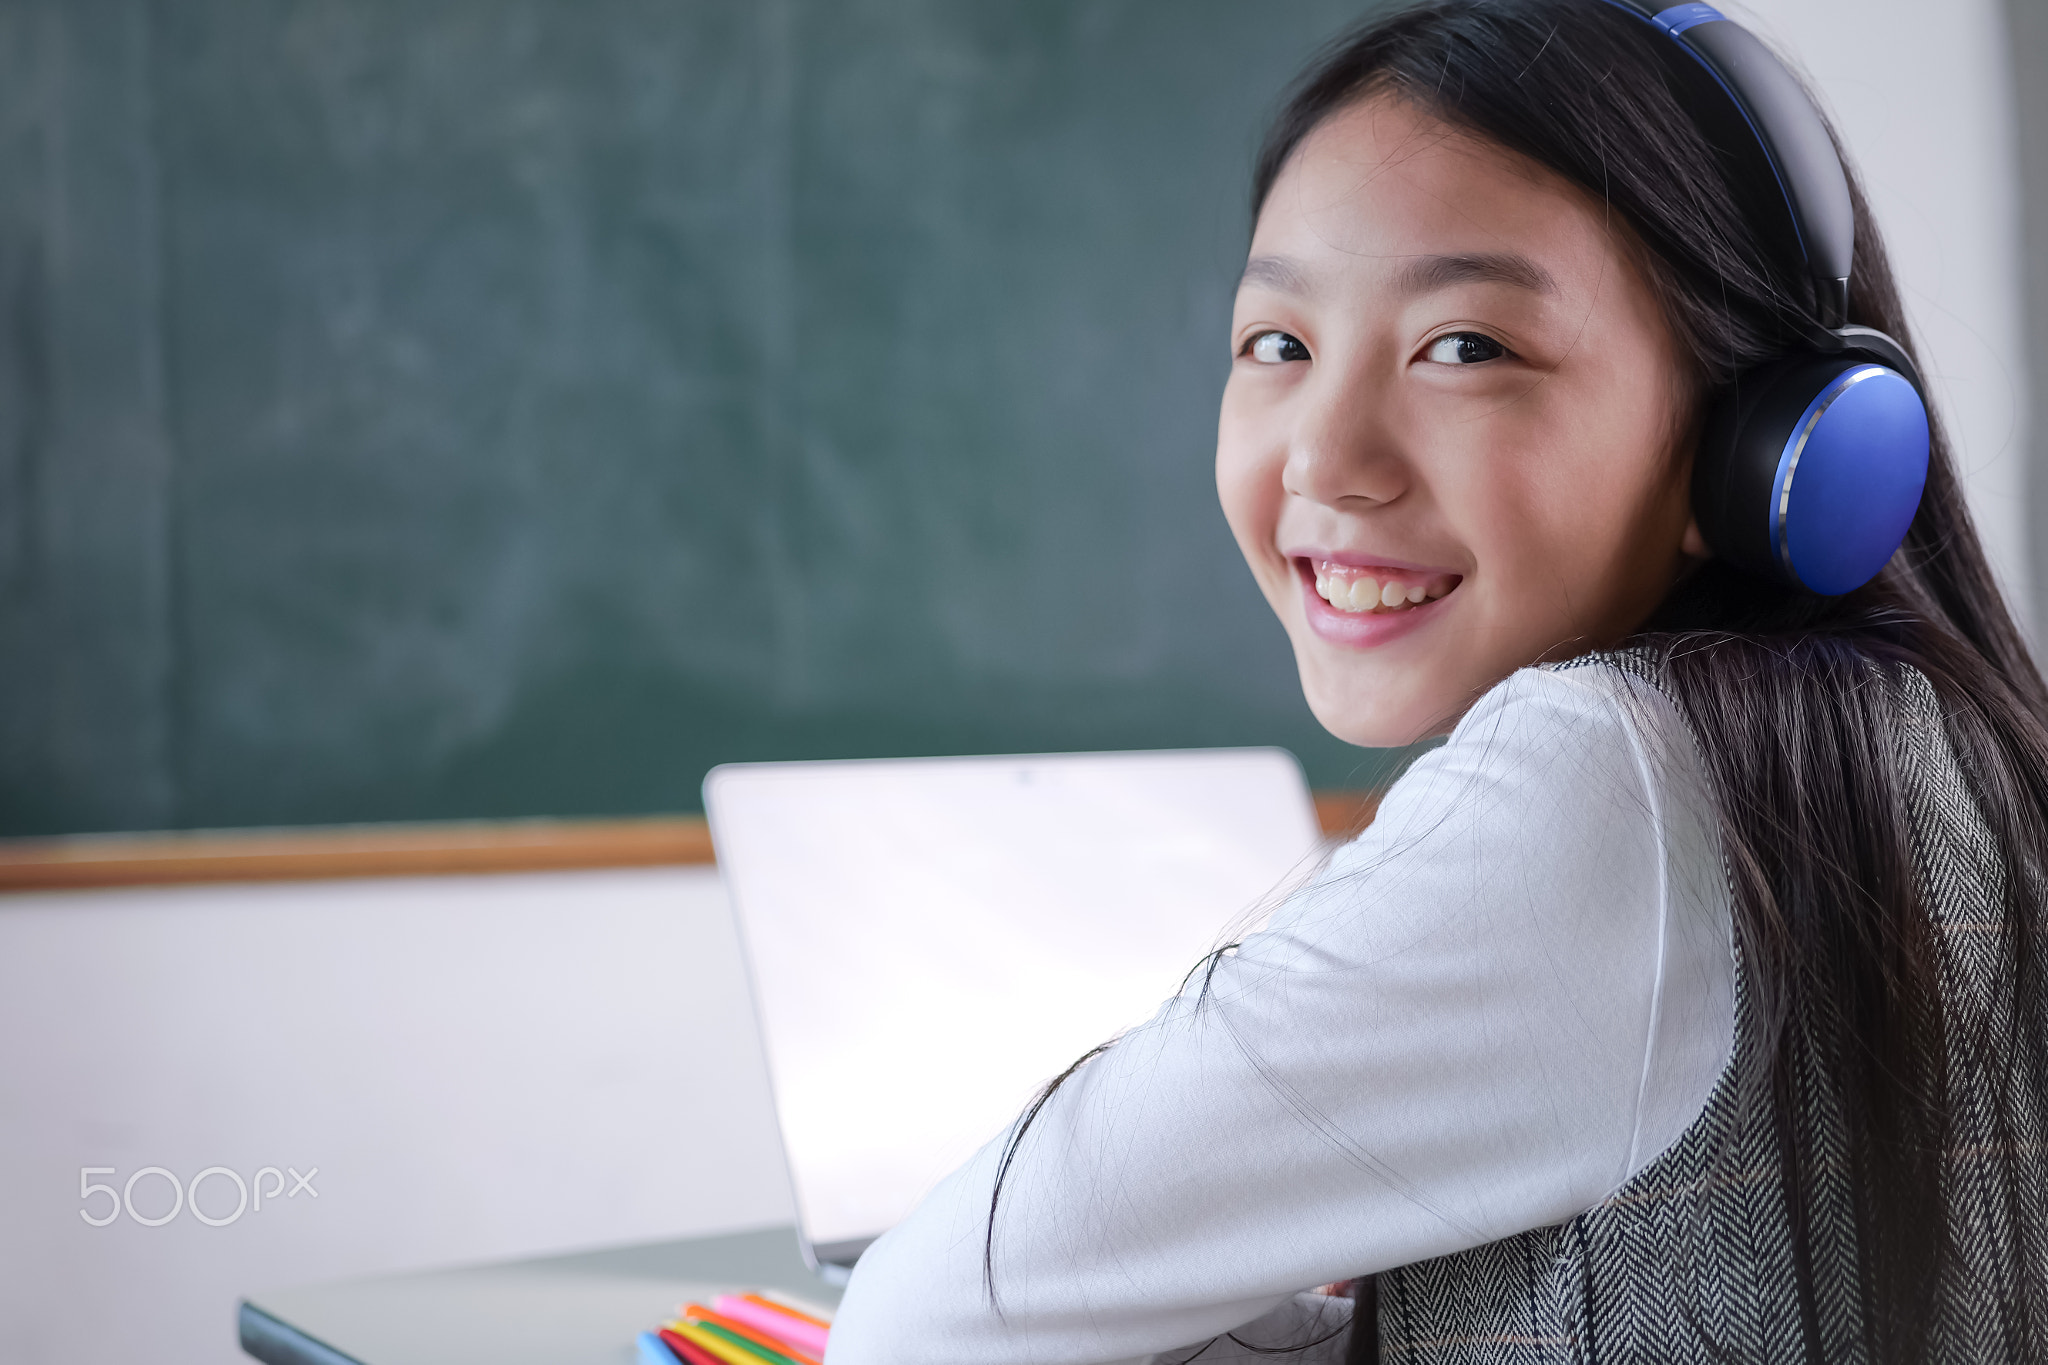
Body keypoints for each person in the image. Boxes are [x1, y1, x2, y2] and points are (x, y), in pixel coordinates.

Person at [823, 2, 2048, 1361]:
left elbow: (923, 1319)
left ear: (1754, 442)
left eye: (1464, 346)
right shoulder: (1943, 738)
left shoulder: (1607, 778)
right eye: (1278, 344)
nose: (1324, 459)